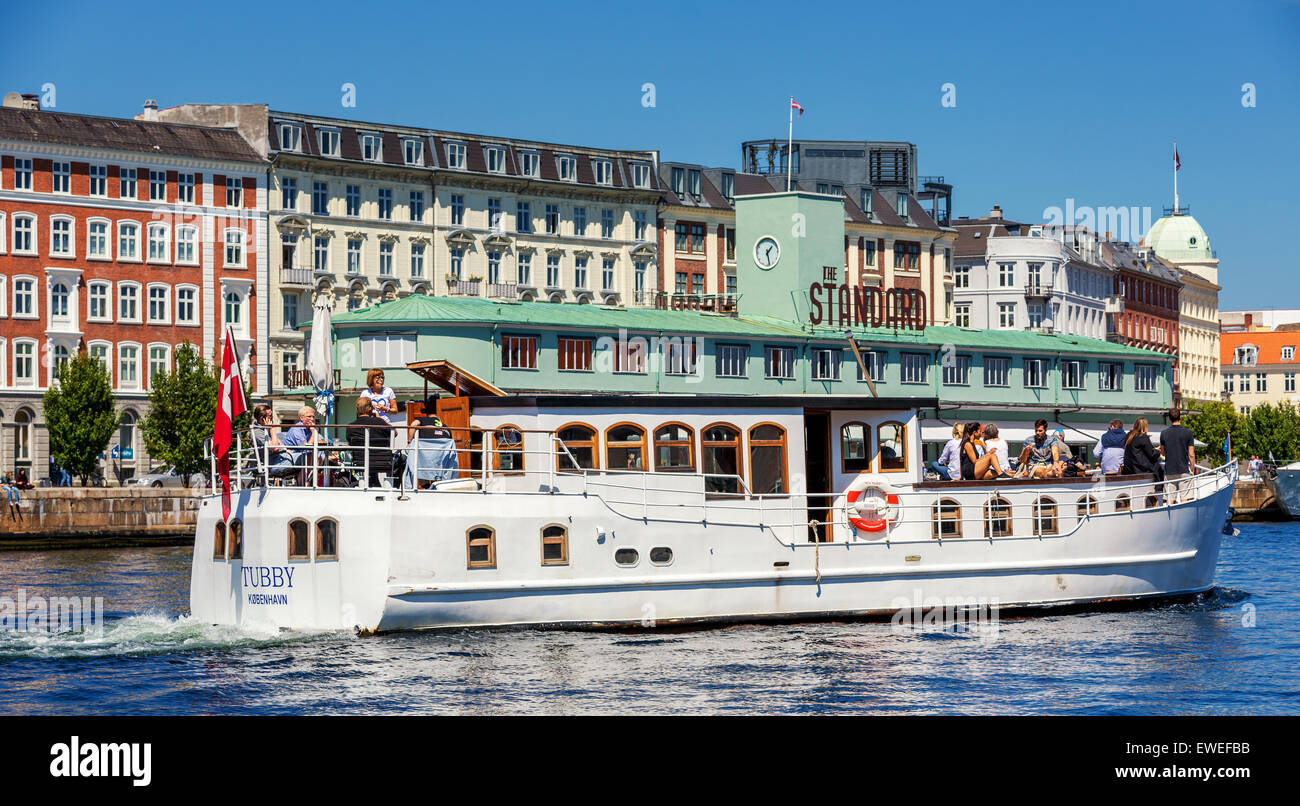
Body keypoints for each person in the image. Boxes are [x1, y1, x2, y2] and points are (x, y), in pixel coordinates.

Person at [347, 397, 394, 487]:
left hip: (360, 462)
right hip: (382, 461)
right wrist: (379, 417)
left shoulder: (351, 426)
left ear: (357, 410)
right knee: (402, 459)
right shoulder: (379, 422)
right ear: (370, 408)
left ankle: (373, 483)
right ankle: (393, 485)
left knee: (368, 458)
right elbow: (394, 433)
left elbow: (350, 441)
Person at [250, 404, 298, 480]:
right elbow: (275, 448)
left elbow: (280, 443)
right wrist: (271, 428)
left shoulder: (266, 429)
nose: (272, 417)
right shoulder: (257, 432)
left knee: (309, 457)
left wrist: (288, 451)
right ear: (262, 418)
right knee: (307, 457)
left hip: (282, 457)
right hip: (274, 462)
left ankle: (305, 484)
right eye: (270, 415)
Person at [1159, 408, 1196, 501]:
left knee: (1169, 500)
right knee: (1185, 499)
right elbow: (1191, 454)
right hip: (1183, 469)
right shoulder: (1188, 433)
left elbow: (1163, 453)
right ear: (1180, 417)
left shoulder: (1163, 434)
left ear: (1169, 419)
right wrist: (1192, 468)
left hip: (1169, 470)